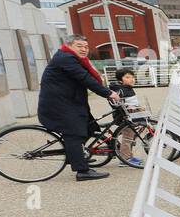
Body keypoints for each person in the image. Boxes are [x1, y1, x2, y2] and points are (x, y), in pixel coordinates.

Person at [37, 34, 121, 181]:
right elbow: (84, 78)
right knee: (74, 134)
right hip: (60, 106)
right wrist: (108, 93)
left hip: (69, 102)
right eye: (79, 46)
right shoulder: (66, 58)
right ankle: (82, 171)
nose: (84, 49)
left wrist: (108, 90)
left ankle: (76, 156)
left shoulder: (72, 58)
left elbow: (87, 78)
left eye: (86, 47)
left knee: (89, 127)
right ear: (69, 45)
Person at [109, 67, 145, 168]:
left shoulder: (128, 88)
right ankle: (125, 159)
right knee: (128, 137)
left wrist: (137, 108)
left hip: (131, 116)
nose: (132, 79)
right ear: (120, 80)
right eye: (128, 77)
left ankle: (129, 156)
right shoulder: (120, 90)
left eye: (133, 77)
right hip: (124, 117)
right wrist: (133, 108)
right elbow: (118, 104)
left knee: (131, 136)